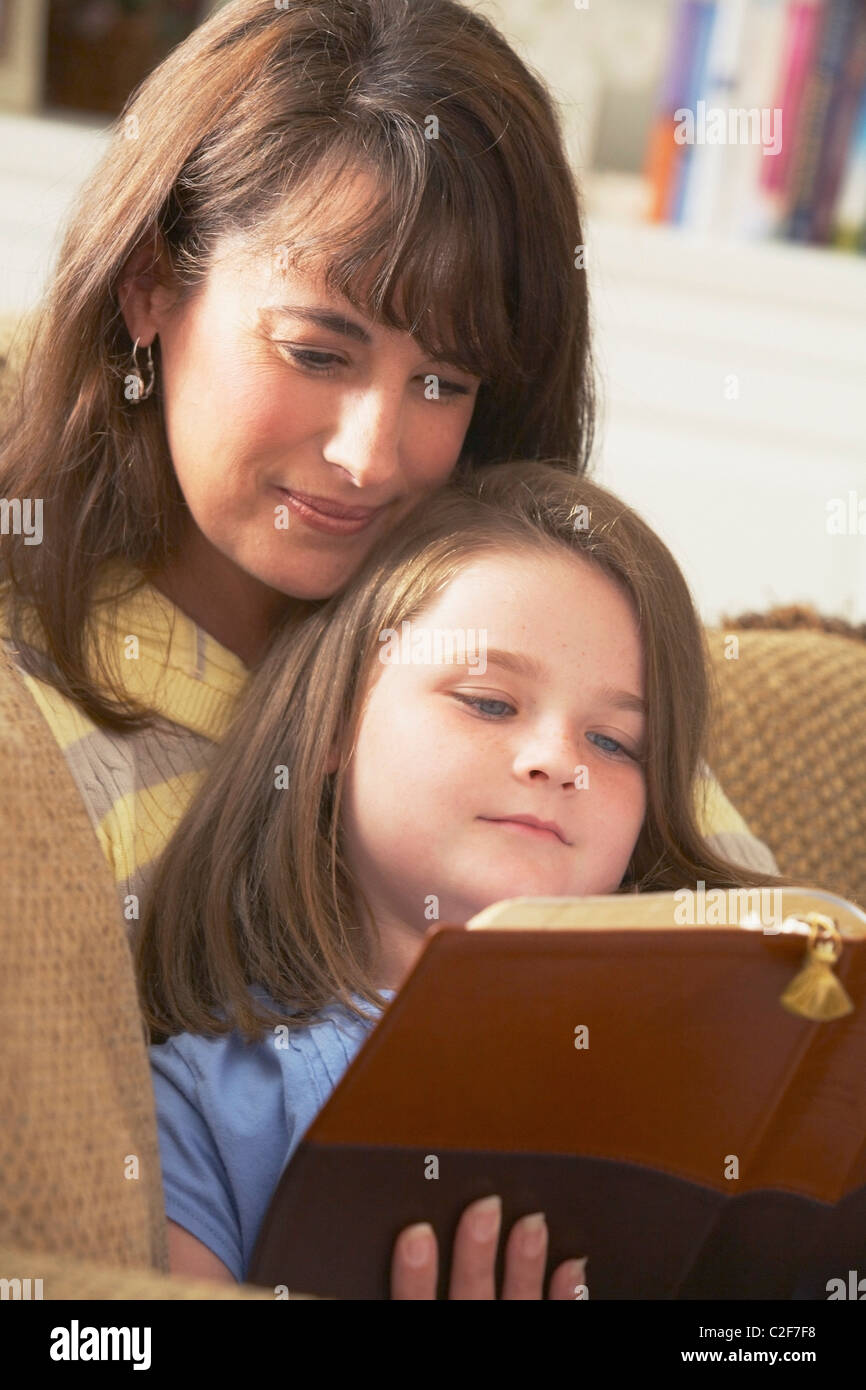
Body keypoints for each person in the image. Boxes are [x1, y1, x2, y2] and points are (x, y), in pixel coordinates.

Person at [0, 0, 776, 1293]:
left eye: (443, 383)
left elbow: (765, 974)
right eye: (316, 348)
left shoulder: (542, 643)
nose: (372, 455)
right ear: (151, 282)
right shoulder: (43, 733)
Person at [137, 458, 785, 1298]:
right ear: (333, 727)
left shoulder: (716, 1072)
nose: (558, 761)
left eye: (615, 743)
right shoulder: (204, 1112)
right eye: (488, 701)